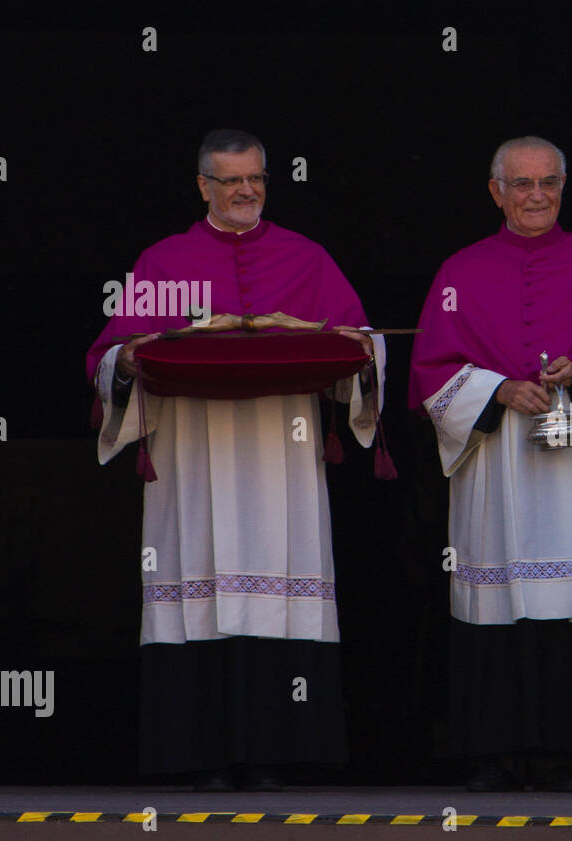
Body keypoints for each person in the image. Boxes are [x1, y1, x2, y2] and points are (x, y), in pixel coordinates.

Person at [86, 129, 383, 792]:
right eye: (231, 181)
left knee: (280, 585)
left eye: (257, 179)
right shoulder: (165, 262)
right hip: (194, 456)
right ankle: (204, 756)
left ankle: (278, 754)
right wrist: (129, 360)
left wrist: (355, 355)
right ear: (203, 186)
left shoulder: (306, 259)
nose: (247, 191)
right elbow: (109, 356)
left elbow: (361, 344)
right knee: (202, 580)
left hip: (286, 451)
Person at [409, 136, 572, 791]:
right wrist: (497, 389)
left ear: (565, 186)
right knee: (498, 608)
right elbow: (429, 372)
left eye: (549, 182)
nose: (537, 196)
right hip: (497, 469)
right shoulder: (459, 274)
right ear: (496, 191)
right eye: (522, 184)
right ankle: (496, 754)